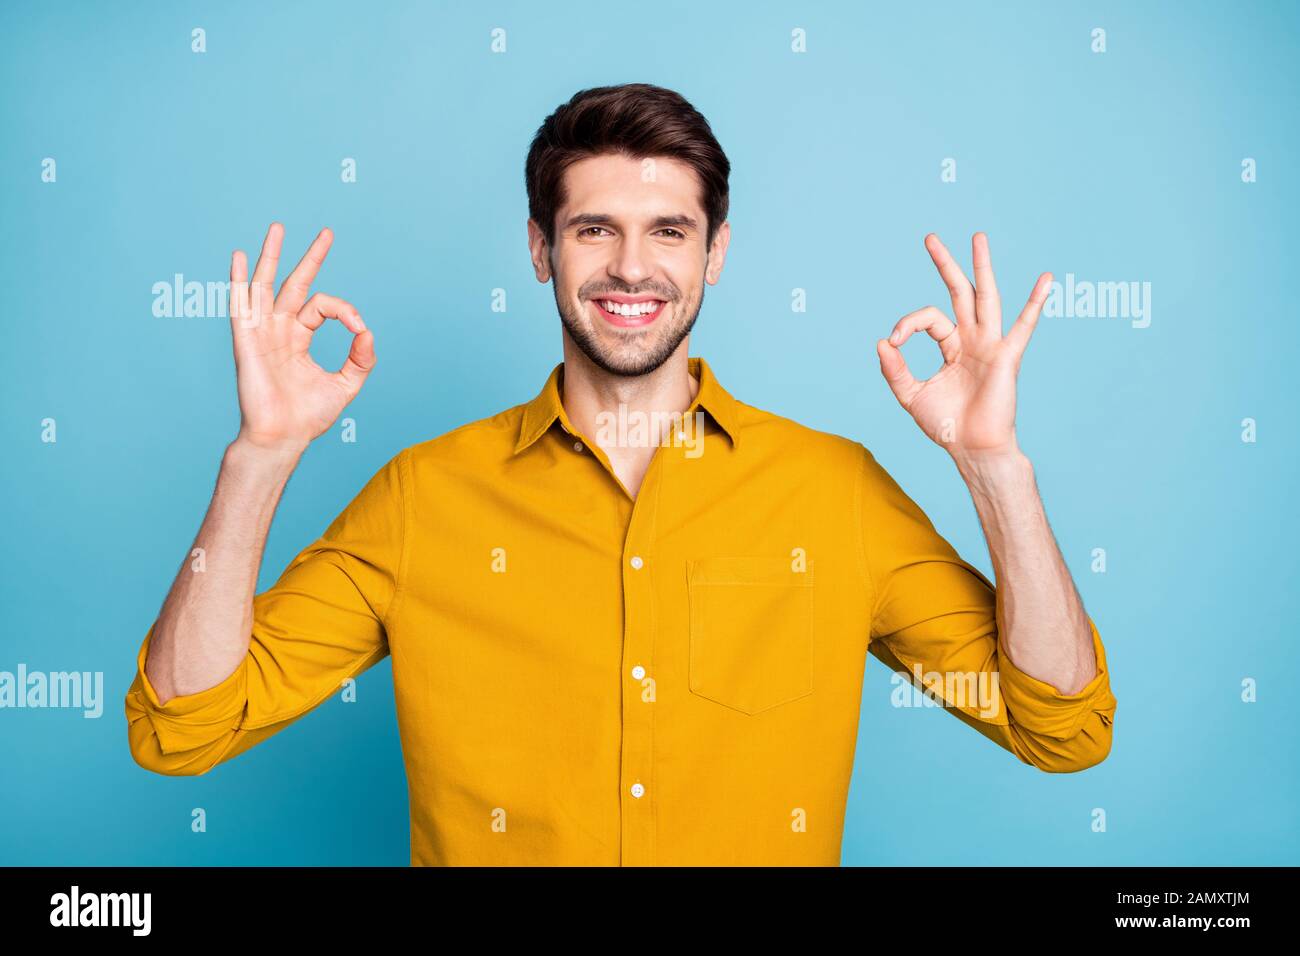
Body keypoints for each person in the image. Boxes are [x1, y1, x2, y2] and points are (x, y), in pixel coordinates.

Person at [125, 83, 1117, 866]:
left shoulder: (834, 491)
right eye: (594, 228)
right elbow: (184, 725)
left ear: (715, 252)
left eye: (668, 232)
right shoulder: (421, 497)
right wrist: (260, 457)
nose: (629, 268)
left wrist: (994, 467)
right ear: (539, 248)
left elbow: (1059, 724)